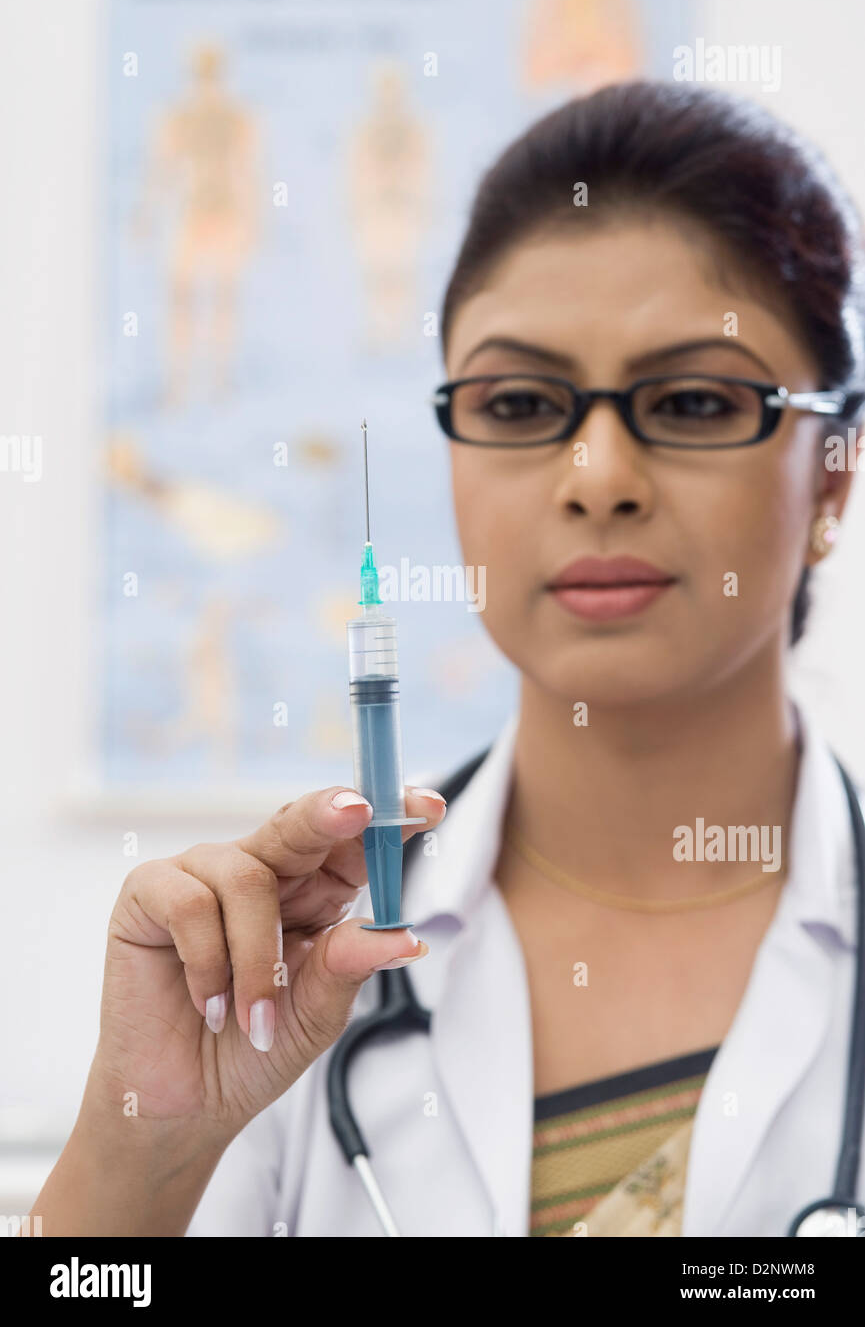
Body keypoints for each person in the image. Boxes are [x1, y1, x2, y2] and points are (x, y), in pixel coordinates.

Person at [32, 79, 865, 1237]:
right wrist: (142, 1156)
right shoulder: (283, 980)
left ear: (831, 473)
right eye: (522, 401)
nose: (596, 477)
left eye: (689, 399)